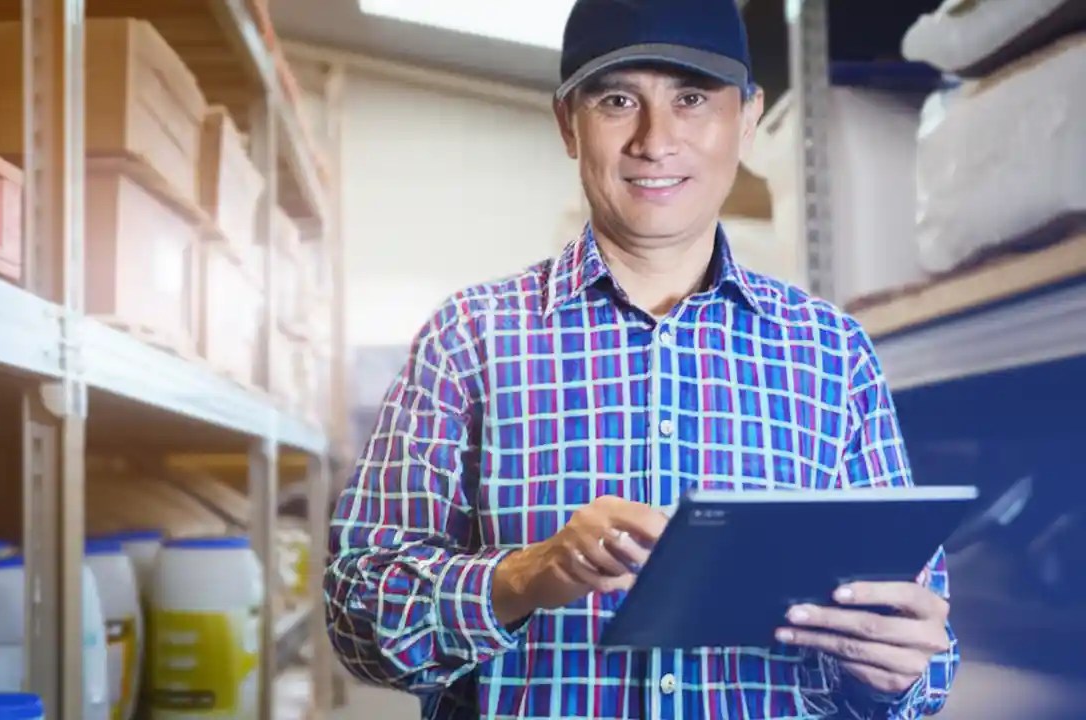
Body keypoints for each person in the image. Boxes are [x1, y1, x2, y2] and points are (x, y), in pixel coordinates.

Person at [323, 0, 959, 717]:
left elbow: (927, 658)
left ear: (747, 120)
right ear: (569, 122)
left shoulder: (832, 353)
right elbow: (356, 616)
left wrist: (898, 673)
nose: (656, 141)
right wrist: (527, 574)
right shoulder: (468, 337)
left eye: (691, 99)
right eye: (619, 100)